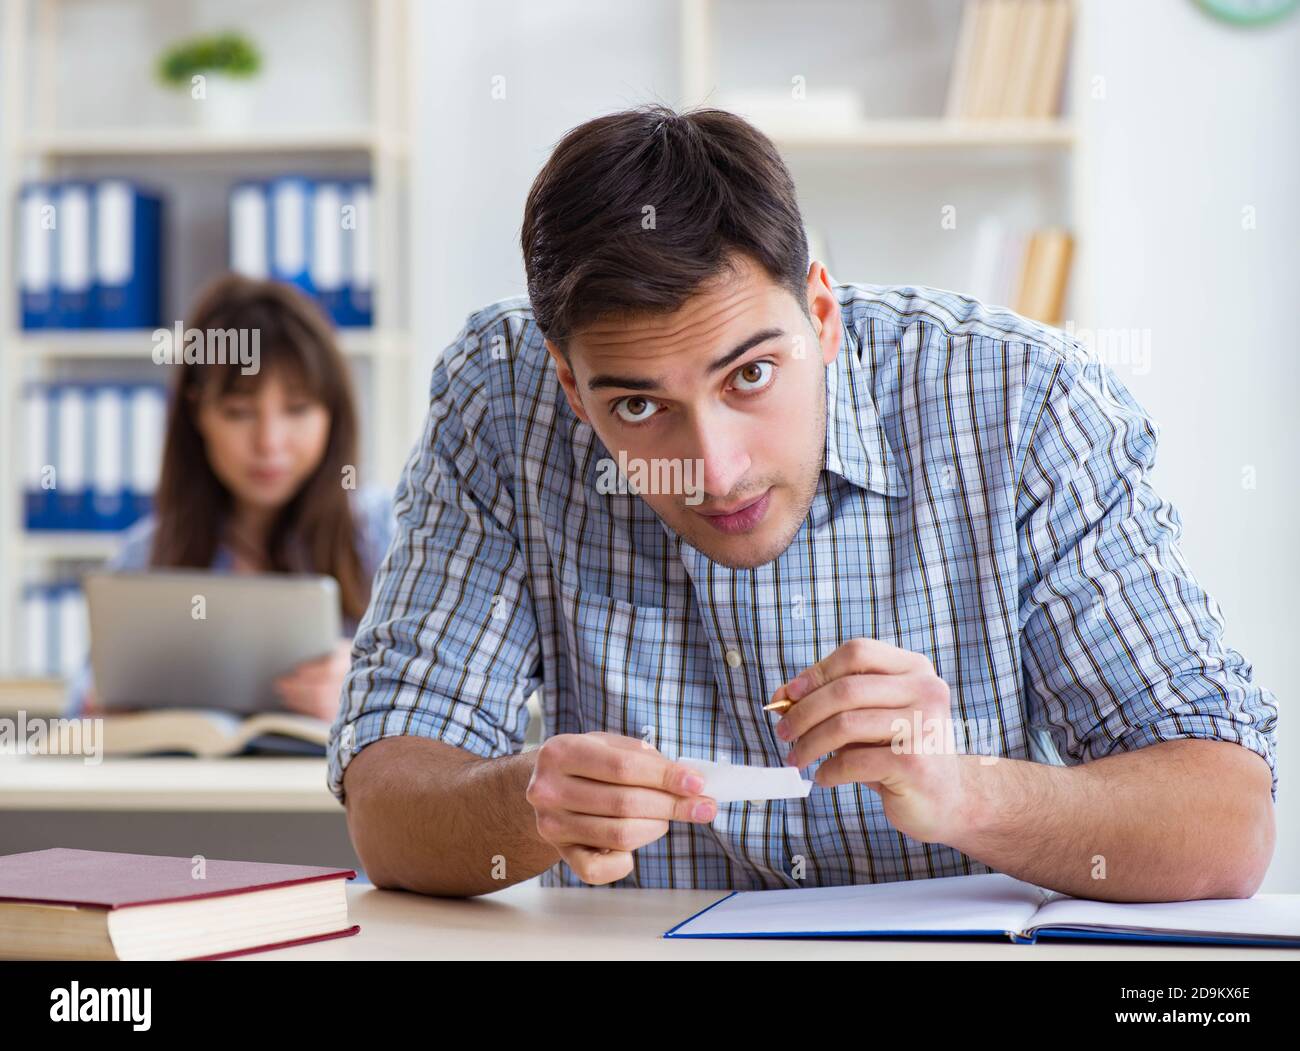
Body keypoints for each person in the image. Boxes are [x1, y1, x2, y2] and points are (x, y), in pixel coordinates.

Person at [330, 105, 1277, 899]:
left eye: (750, 375)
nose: (716, 469)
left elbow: (1227, 824)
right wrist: (527, 801)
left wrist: (969, 793)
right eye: (637, 405)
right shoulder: (502, 396)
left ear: (821, 313)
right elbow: (389, 805)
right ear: (572, 392)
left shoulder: (1023, 400)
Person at [68, 274, 394, 722]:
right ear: (197, 412)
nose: (269, 443)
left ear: (331, 415)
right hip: (180, 791)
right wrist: (101, 709)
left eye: (297, 410)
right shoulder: (144, 555)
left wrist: (369, 689)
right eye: (239, 413)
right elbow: (78, 715)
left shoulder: (390, 534)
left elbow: (444, 702)